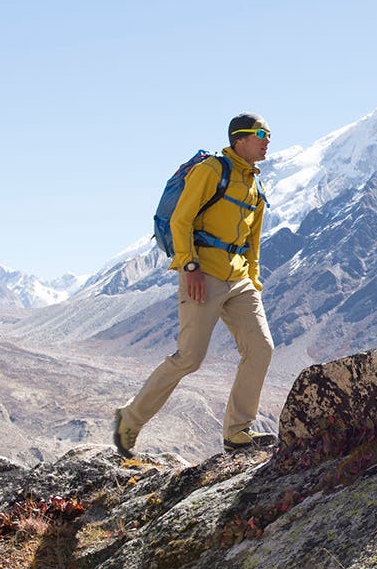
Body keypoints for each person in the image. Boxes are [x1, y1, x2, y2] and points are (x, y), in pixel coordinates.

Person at [114, 113, 277, 454]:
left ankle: (237, 432)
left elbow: (253, 240)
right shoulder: (212, 171)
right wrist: (189, 266)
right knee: (189, 358)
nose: (268, 140)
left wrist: (253, 278)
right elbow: (181, 219)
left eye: (269, 134)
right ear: (240, 139)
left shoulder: (255, 185)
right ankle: (130, 419)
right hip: (204, 274)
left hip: (240, 280)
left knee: (261, 348)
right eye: (261, 134)